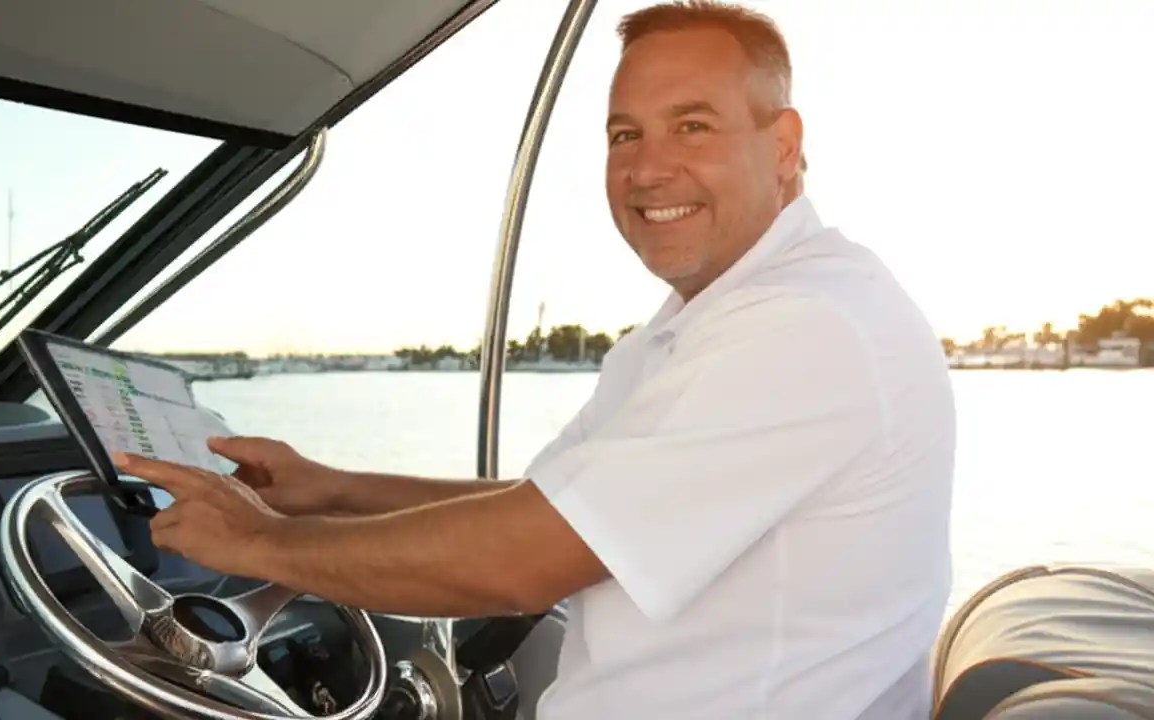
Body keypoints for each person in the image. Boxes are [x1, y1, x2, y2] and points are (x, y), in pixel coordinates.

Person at [114, 2, 956, 718]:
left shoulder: (808, 325)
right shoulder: (700, 329)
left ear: (782, 146)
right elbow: (546, 508)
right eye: (624, 134)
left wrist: (263, 546)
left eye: (692, 126)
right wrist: (329, 489)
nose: (647, 167)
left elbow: (523, 560)